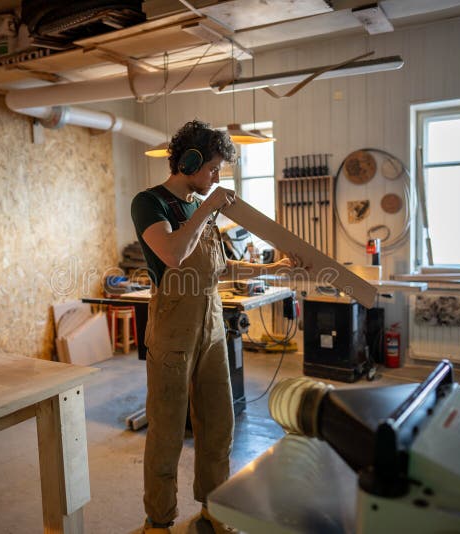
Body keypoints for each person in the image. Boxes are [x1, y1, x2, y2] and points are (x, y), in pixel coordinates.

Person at [131, 120, 296, 533]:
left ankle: (214, 508)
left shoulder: (201, 213)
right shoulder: (150, 203)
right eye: (213, 169)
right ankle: (158, 519)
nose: (217, 179)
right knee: (167, 429)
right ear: (188, 161)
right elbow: (172, 253)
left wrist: (271, 267)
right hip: (172, 329)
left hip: (211, 324)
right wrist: (208, 207)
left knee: (219, 424)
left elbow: (218, 268)